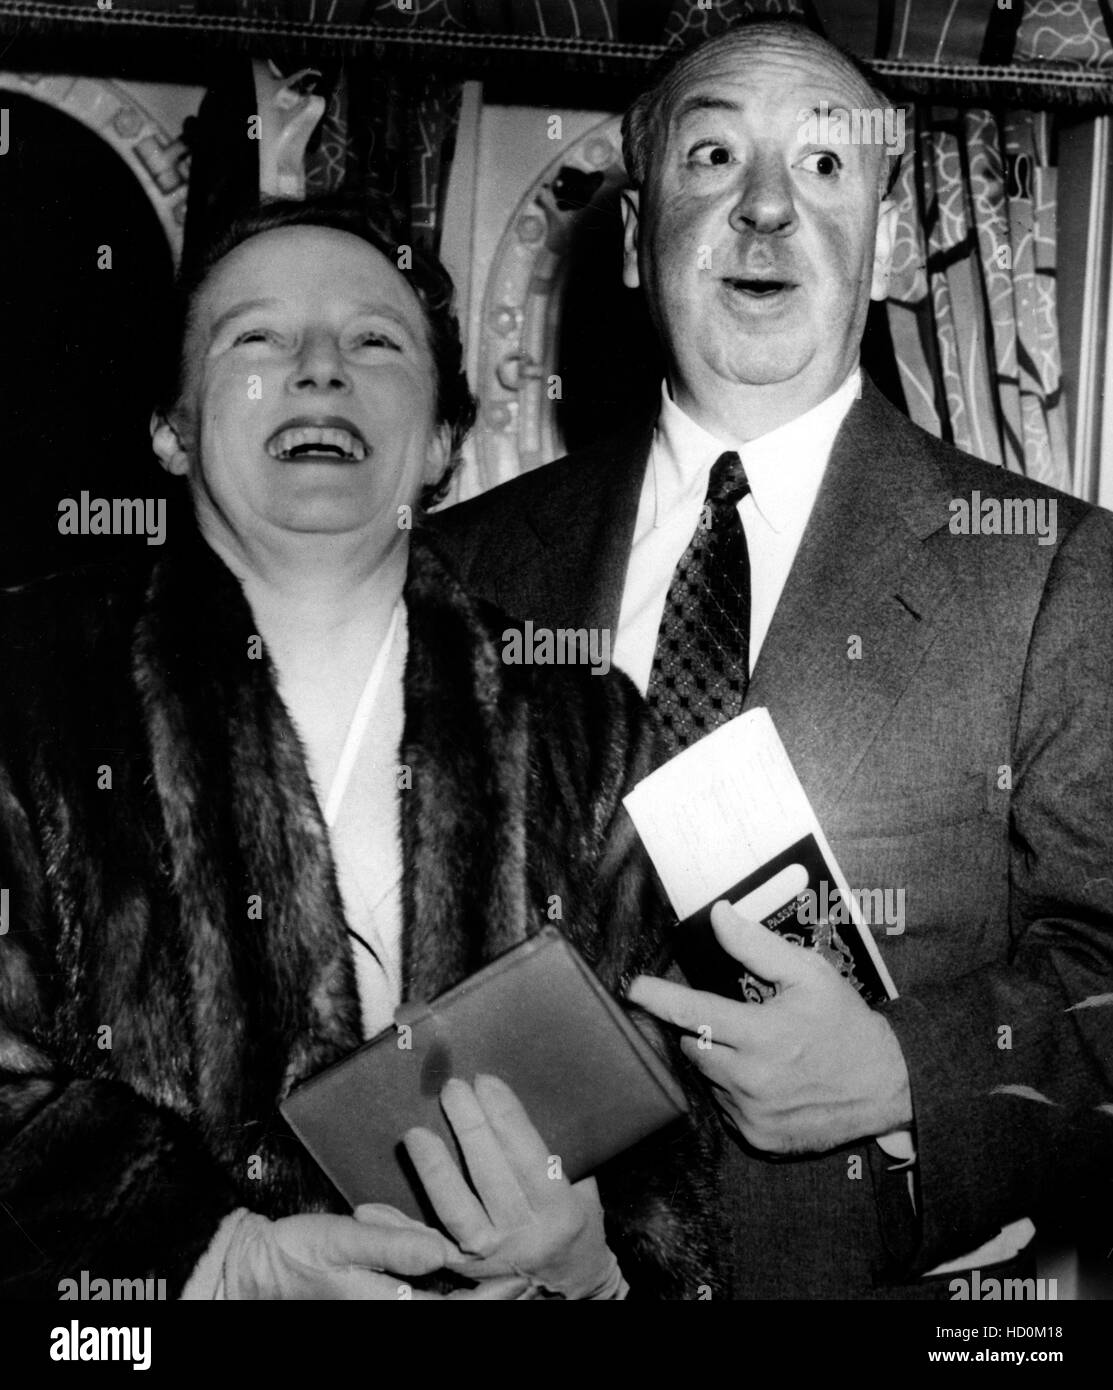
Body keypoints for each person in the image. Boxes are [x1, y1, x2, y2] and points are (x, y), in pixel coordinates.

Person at [431, 18, 1113, 1299]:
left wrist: (909, 1071)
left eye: (822, 166)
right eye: (711, 157)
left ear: (891, 239)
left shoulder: (1054, 573)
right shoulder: (462, 570)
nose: (762, 209)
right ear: (637, 238)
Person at [0, 196, 719, 1300]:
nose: (321, 369)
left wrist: (594, 1271)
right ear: (173, 426)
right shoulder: (22, 683)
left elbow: (667, 1125)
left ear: (441, 441)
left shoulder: (591, 730)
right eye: (257, 338)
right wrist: (213, 1262)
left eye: (376, 340)